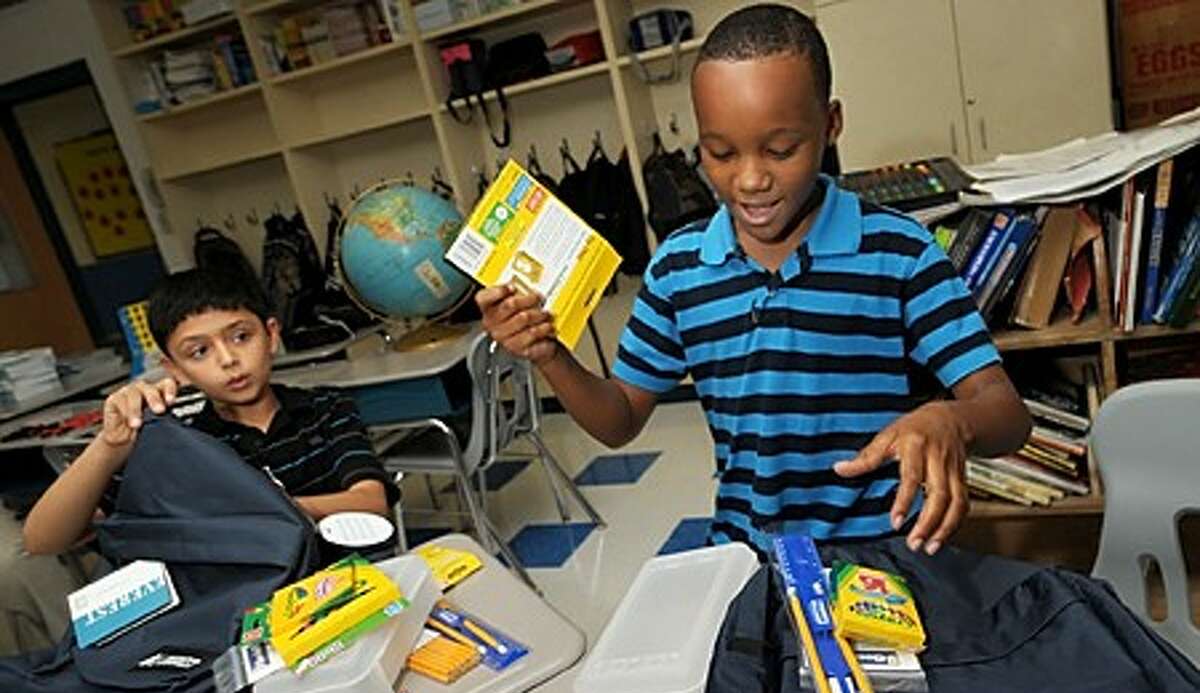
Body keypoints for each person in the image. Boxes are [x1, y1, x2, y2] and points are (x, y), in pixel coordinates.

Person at [476, 4, 1031, 556]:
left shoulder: (899, 251)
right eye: (720, 153)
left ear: (831, 124)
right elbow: (619, 419)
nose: (749, 180)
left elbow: (1007, 415)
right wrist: (549, 354)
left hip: (880, 554)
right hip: (752, 554)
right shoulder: (679, 269)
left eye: (781, 150)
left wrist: (950, 419)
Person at [2, 267, 394, 653]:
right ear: (175, 369)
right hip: (242, 624)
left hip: (348, 591)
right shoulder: (179, 445)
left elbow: (371, 502)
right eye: (199, 351)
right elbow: (42, 539)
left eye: (241, 336)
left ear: (271, 334)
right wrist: (109, 445)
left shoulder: (327, 408)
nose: (228, 359)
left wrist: (255, 513)